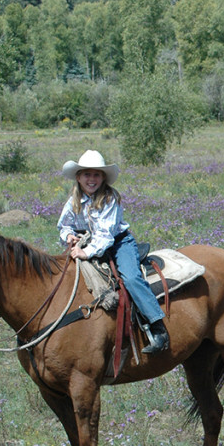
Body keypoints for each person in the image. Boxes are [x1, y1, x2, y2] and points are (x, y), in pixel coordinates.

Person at [57, 150, 169, 354]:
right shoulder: (73, 200)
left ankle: (157, 326)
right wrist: (69, 237)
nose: (91, 179)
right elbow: (64, 225)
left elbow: (106, 235)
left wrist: (85, 252)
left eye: (96, 175)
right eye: (87, 175)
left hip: (118, 243)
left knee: (131, 277)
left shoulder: (110, 199)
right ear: (78, 177)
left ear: (103, 178)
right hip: (88, 242)